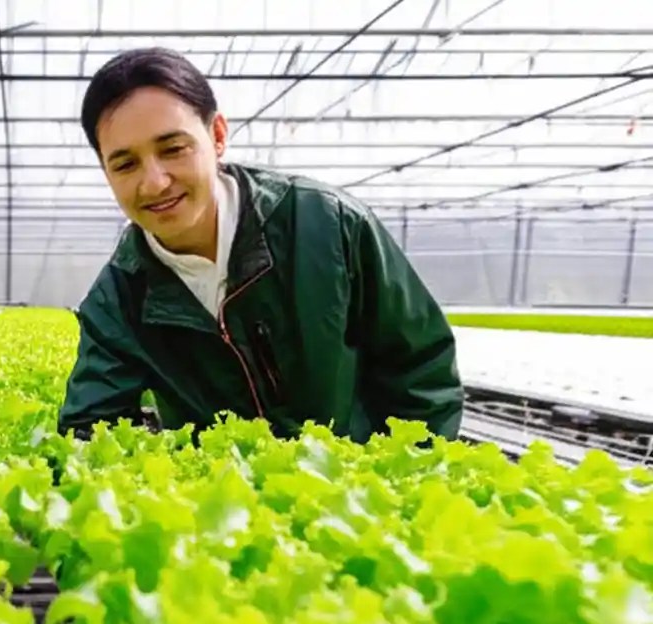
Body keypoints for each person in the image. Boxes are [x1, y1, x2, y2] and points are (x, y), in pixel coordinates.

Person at [57, 47, 464, 444]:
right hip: (218, 510)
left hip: (349, 499)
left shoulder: (328, 226)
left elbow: (421, 372)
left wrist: (396, 486)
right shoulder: (118, 298)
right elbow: (91, 429)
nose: (155, 182)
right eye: (125, 164)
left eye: (173, 149)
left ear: (217, 135)